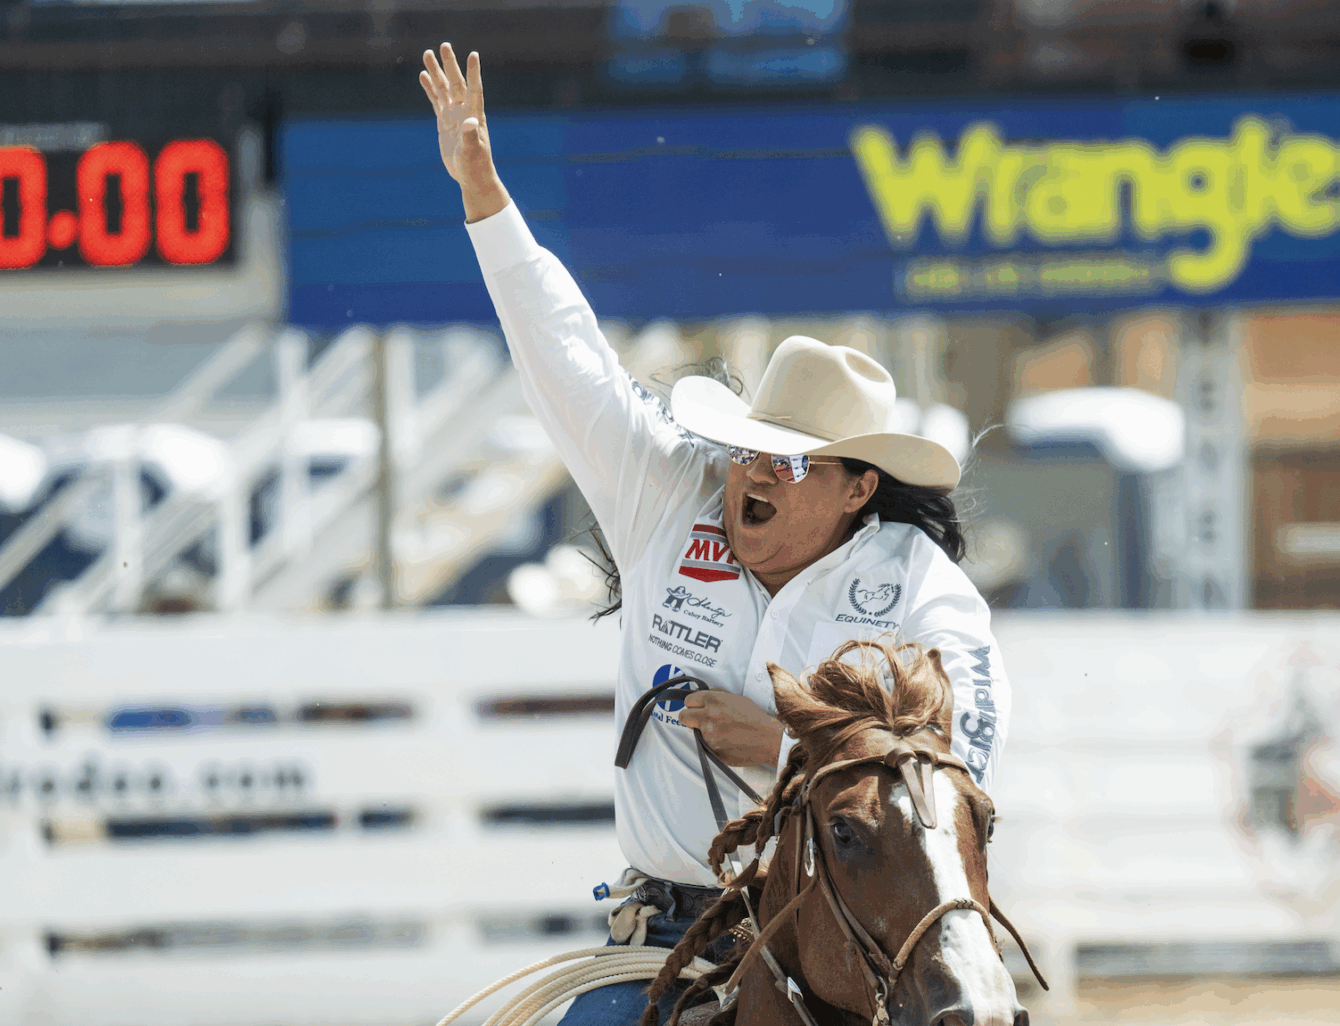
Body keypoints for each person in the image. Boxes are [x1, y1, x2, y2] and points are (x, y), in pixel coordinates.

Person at [419, 44, 1013, 1024]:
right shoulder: (664, 493)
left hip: (859, 959)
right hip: (662, 938)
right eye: (744, 450)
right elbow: (566, 361)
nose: (746, 474)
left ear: (857, 486)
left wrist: (784, 750)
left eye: (781, 462)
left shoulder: (920, 590)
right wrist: (484, 196)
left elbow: (963, 771)